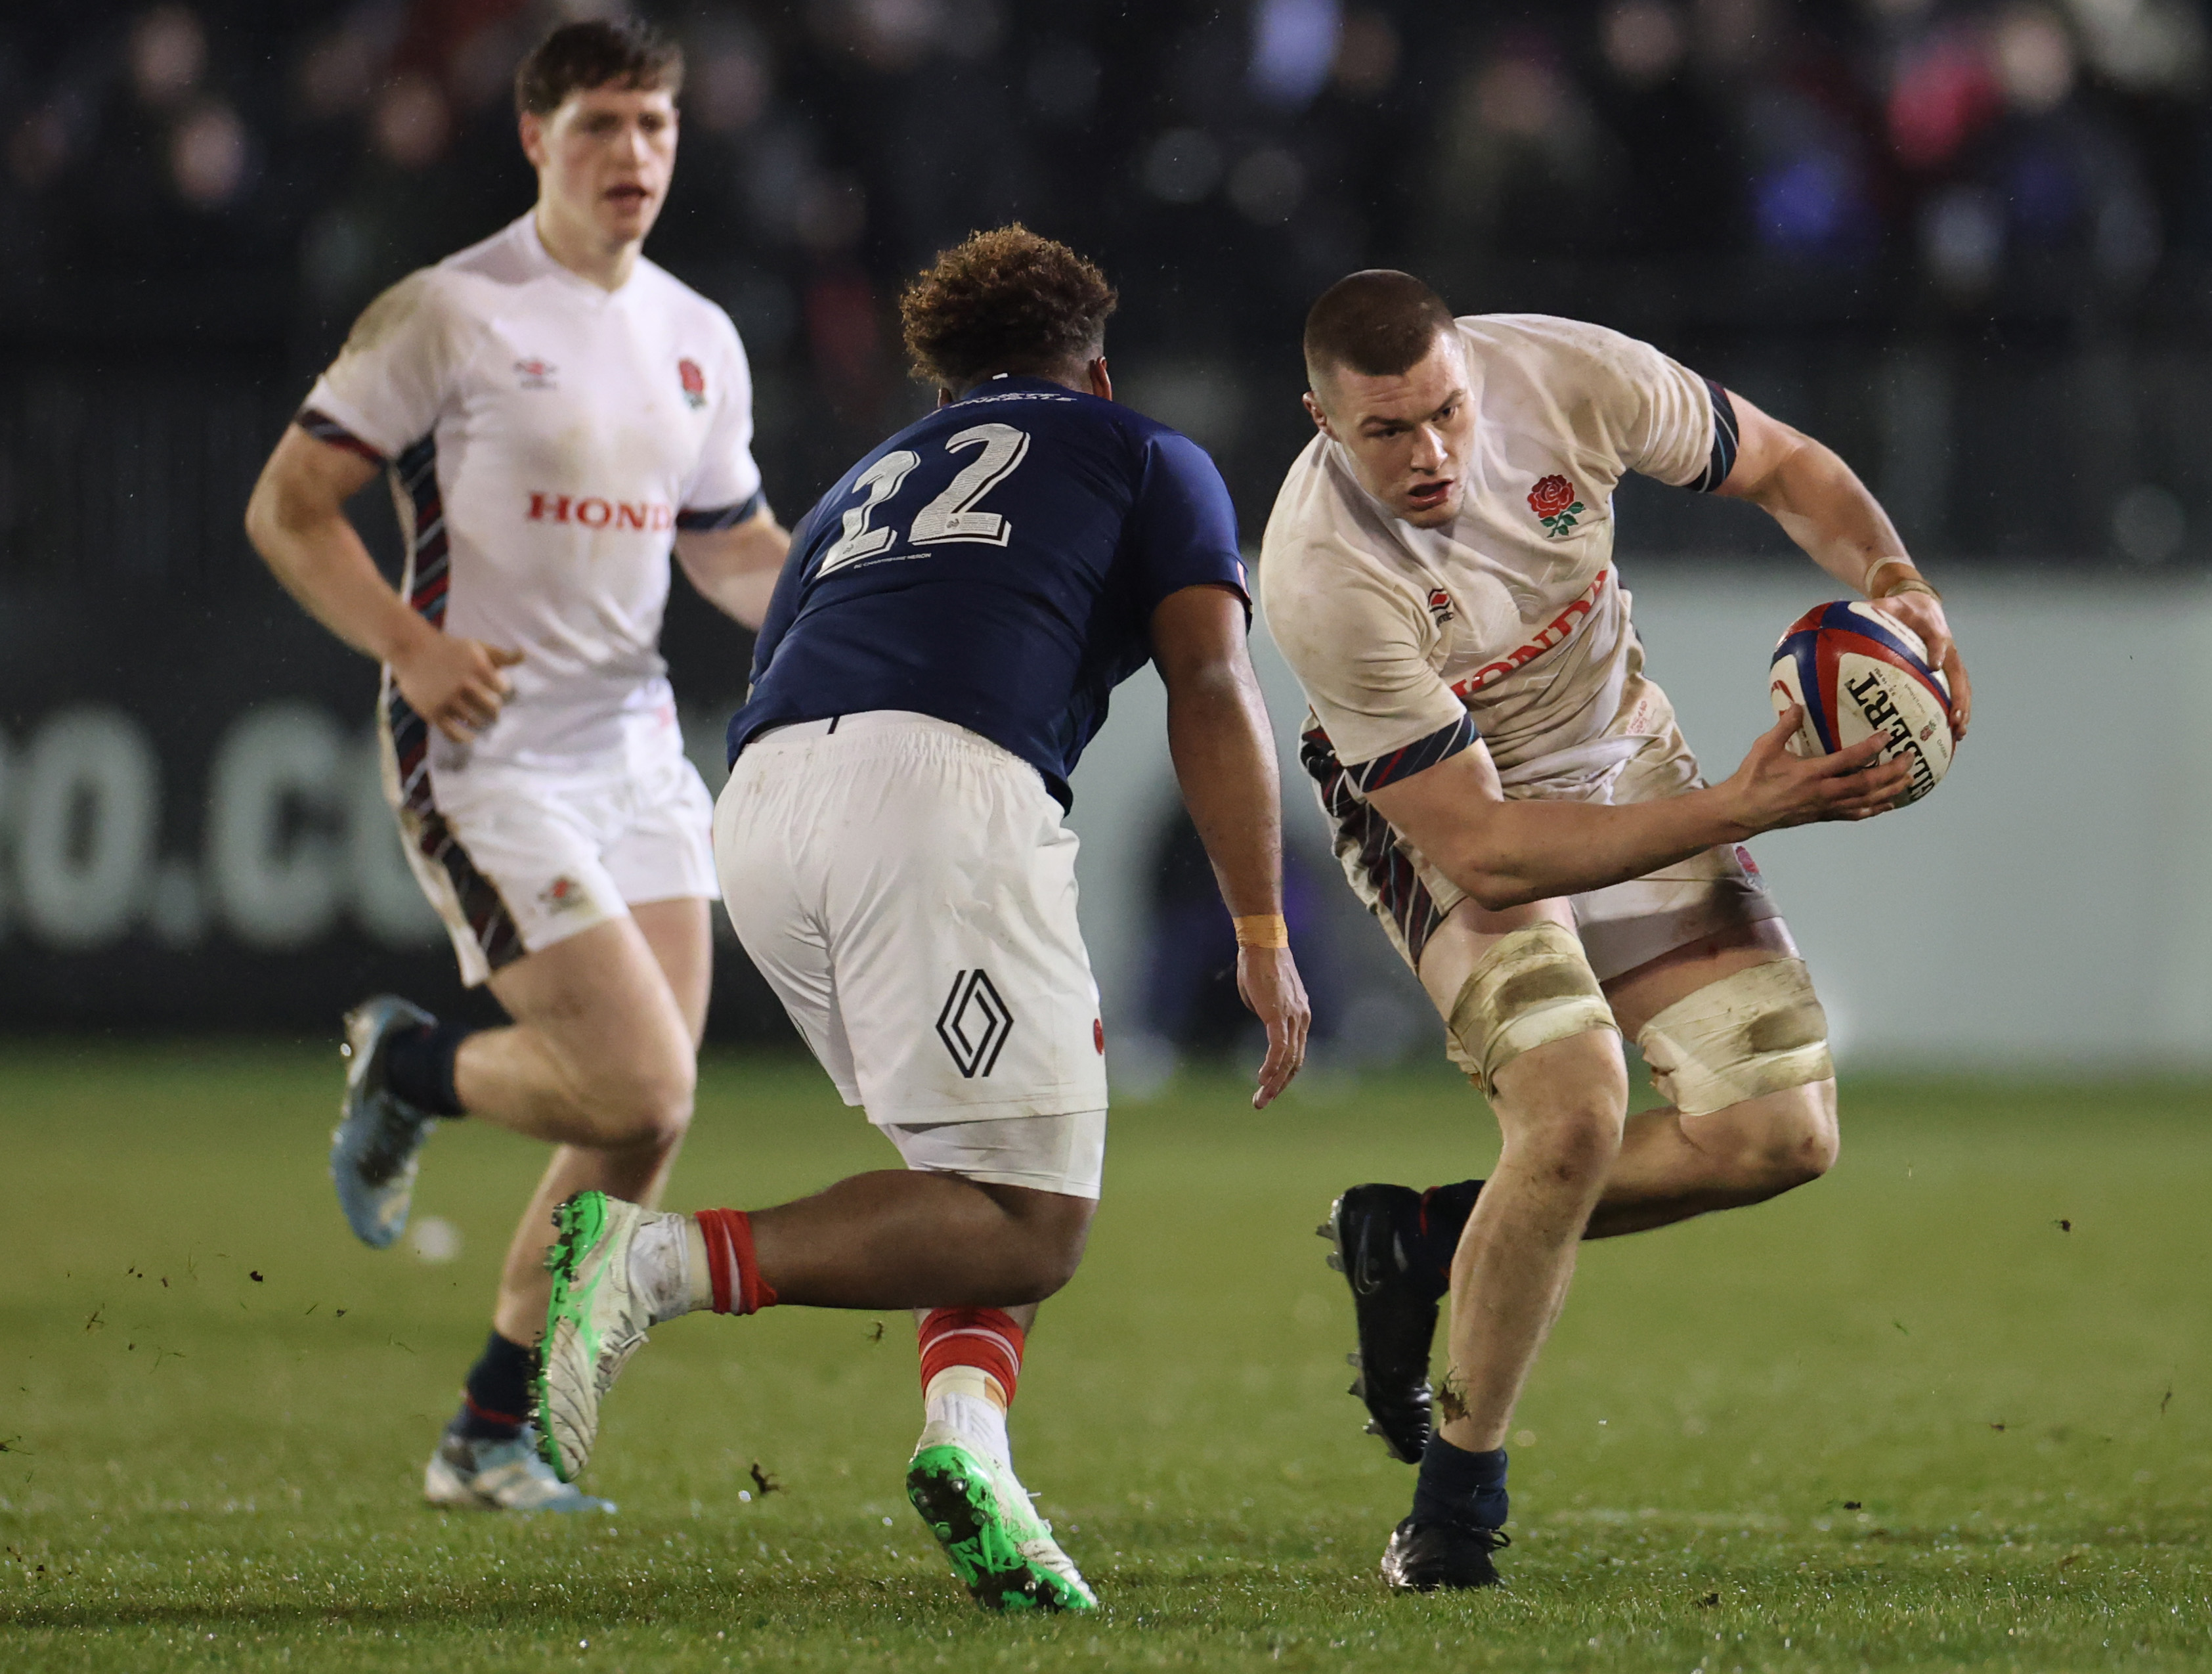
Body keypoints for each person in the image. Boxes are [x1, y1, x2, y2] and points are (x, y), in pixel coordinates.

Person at [529, 226, 1311, 1614]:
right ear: (1099, 370)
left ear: (942, 395)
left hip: (762, 810)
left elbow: (784, 656)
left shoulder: (856, 485)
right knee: (1031, 1224)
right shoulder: (1143, 452)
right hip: (938, 797)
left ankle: (972, 1451)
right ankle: (648, 1262)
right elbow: (1209, 680)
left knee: (970, 1178)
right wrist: (1259, 926)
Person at [1260, 271, 1968, 1591]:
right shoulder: (1318, 578)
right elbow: (1483, 845)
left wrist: (1893, 577)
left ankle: (1423, 1242)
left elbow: (1785, 466)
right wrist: (1742, 805)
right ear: (1317, 420)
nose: (1429, 456)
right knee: (1573, 1111)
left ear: (1469, 366)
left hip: (1622, 764)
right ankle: (1454, 1508)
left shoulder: (1571, 375)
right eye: (1385, 434)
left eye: (1443, 415)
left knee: (1775, 1135)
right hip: (1446, 826)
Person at [242, 19, 789, 1514]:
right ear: (536, 138)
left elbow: (730, 543)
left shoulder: (697, 334)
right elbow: (289, 508)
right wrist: (408, 652)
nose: (635, 156)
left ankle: (487, 1432)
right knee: (635, 1073)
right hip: (482, 748)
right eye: (604, 125)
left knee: (648, 1115)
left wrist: (844, 604)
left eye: (657, 128)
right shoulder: (452, 310)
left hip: (632, 745)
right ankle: (409, 1064)